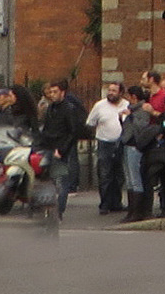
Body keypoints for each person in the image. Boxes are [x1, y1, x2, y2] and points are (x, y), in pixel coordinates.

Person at [34, 78, 86, 215]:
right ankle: (47, 209)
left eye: (55, 91)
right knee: (48, 181)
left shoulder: (68, 108)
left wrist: (62, 150)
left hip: (62, 150)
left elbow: (73, 131)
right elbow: (47, 129)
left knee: (62, 183)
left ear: (62, 93)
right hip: (49, 148)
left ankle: (59, 212)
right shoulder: (51, 107)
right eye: (51, 92)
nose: (52, 94)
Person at [122, 86, 165, 221]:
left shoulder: (141, 110)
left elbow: (140, 128)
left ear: (134, 97)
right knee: (129, 179)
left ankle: (137, 212)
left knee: (136, 179)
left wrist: (130, 117)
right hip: (127, 145)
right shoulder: (132, 110)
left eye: (129, 96)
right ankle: (131, 211)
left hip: (135, 146)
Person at [87, 81, 127, 214]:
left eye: (114, 90)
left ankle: (116, 203)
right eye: (109, 90)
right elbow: (90, 122)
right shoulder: (99, 106)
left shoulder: (126, 105)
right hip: (104, 143)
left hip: (121, 143)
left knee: (119, 175)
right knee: (105, 175)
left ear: (121, 92)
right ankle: (104, 204)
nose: (110, 93)